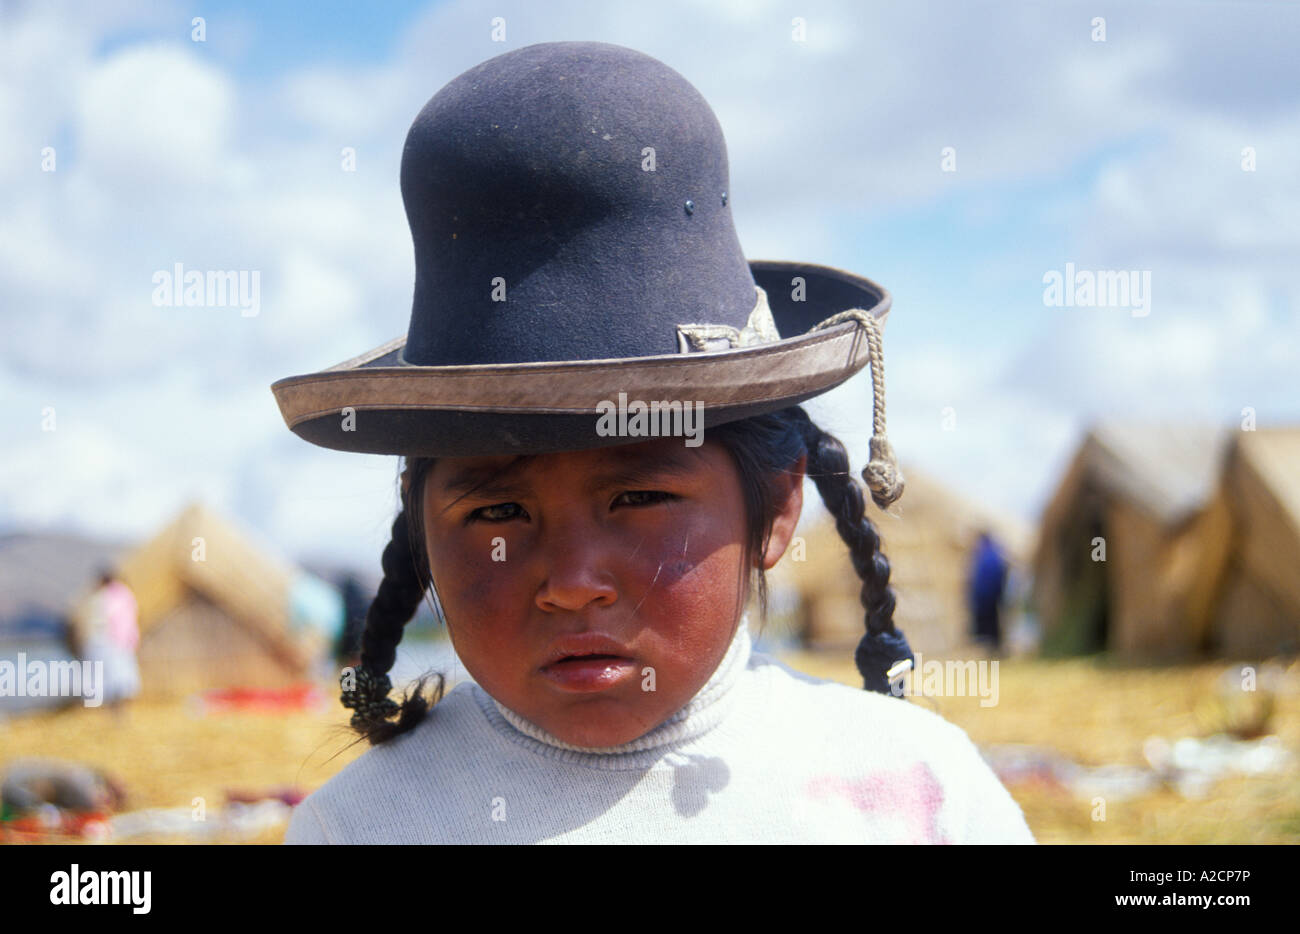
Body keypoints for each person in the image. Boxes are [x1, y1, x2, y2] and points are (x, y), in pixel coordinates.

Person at [271, 41, 1034, 844]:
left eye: (638, 497)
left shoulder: (918, 797)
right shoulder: (363, 827)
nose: (571, 584)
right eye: (497, 510)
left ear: (776, 504)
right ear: (421, 527)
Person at [80, 568, 141, 714]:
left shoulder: (108, 598)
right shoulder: (125, 597)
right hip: (119, 643)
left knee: (113, 678)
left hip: (111, 644)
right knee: (118, 678)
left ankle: (116, 707)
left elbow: (111, 620)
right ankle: (117, 707)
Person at [969, 531, 1009, 653]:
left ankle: (991, 649)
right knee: (993, 623)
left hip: (986, 596)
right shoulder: (995, 554)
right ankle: (994, 648)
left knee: (988, 625)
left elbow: (981, 579)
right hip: (993, 595)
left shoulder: (985, 556)